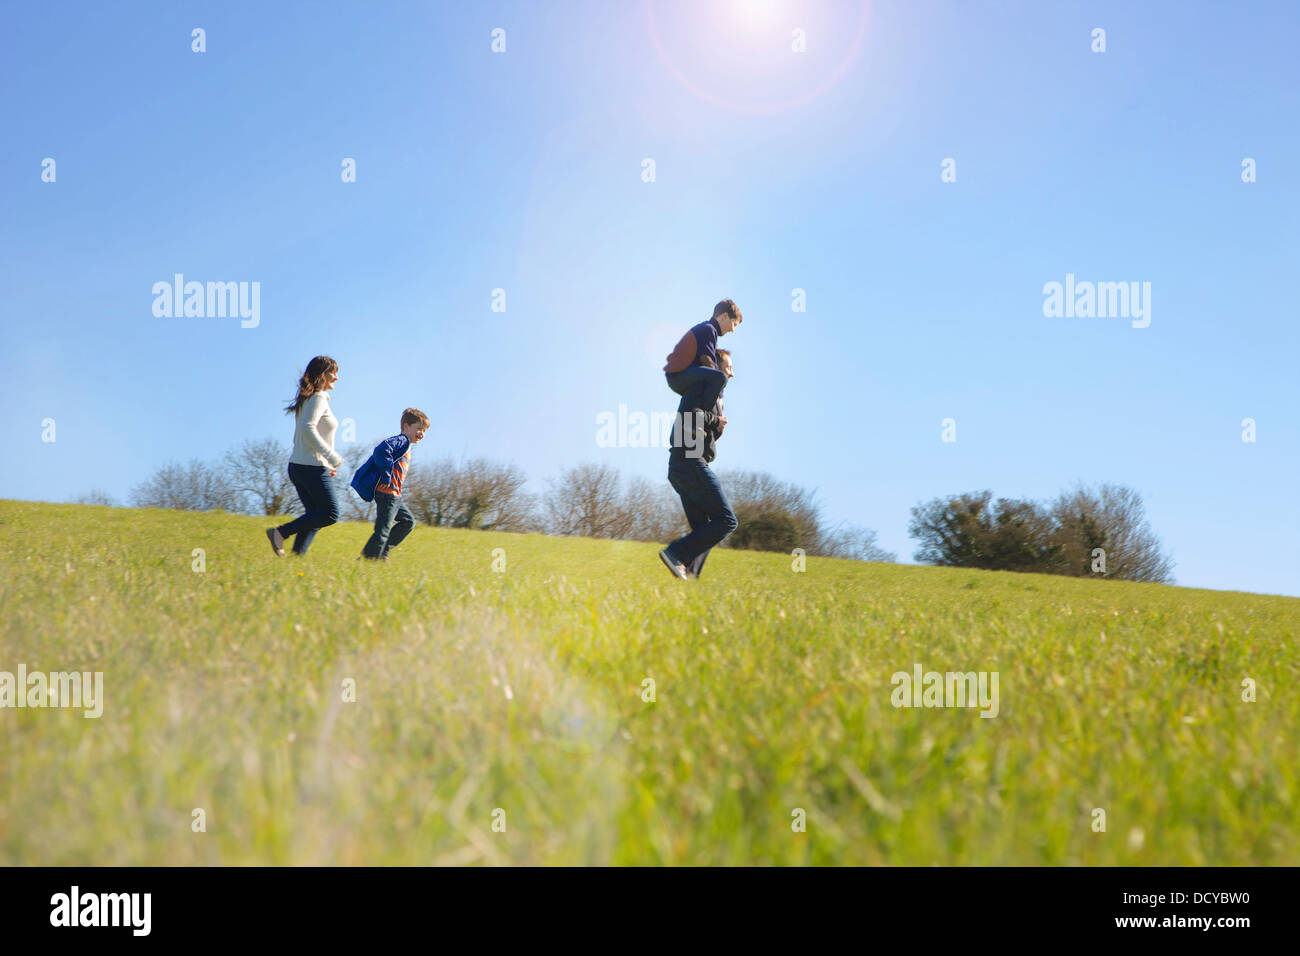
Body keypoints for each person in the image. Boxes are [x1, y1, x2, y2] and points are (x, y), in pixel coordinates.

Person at [659, 348, 737, 580]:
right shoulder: (701, 387)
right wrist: (716, 420)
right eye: (729, 367)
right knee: (726, 520)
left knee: (703, 531)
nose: (732, 374)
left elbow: (704, 429)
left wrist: (717, 427)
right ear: (716, 366)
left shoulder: (714, 396)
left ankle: (690, 577)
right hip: (690, 463)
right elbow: (689, 414)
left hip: (682, 466)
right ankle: (675, 553)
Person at [266, 356, 346, 557]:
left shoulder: (308, 399)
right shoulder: (318, 398)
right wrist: (331, 457)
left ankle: (296, 558)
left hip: (300, 466)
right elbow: (307, 429)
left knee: (315, 516)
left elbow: (298, 436)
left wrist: (326, 464)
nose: (337, 377)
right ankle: (280, 533)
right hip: (310, 467)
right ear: (322, 375)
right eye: (333, 372)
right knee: (330, 513)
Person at [351, 407, 429, 561]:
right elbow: (382, 450)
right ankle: (368, 558)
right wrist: (386, 474)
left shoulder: (407, 445)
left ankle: (382, 551)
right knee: (383, 529)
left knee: (408, 522)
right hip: (387, 493)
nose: (422, 433)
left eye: (424, 430)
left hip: (395, 496)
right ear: (406, 426)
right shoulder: (402, 440)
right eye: (419, 428)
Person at [663, 299, 742, 416]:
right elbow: (708, 361)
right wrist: (719, 396)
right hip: (679, 374)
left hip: (679, 374)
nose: (732, 330)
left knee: (700, 385)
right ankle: (703, 416)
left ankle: (691, 419)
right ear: (724, 316)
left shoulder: (706, 328)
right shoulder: (709, 329)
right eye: (733, 324)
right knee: (720, 378)